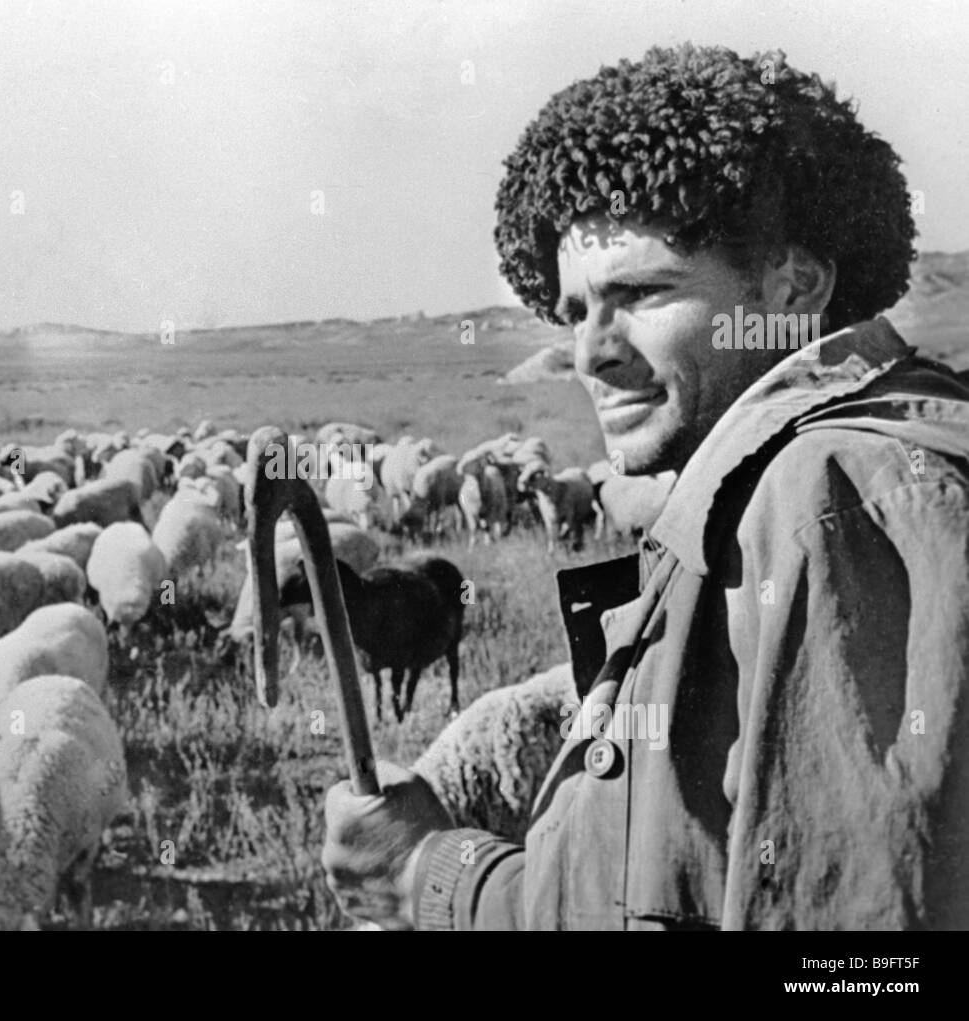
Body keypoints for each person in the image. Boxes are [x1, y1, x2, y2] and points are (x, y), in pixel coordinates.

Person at [322, 43, 969, 930]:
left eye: (641, 292)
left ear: (796, 285)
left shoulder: (836, 496)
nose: (592, 351)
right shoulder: (773, 494)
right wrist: (440, 872)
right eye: (575, 311)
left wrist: (435, 876)